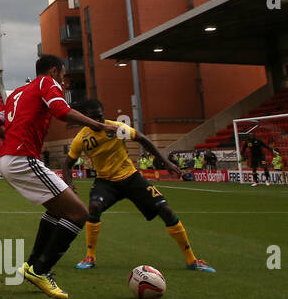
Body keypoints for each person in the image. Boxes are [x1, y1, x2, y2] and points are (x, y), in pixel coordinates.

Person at [0, 55, 118, 299]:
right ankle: (41, 270)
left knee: (58, 211)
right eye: (64, 76)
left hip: (11, 158)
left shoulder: (18, 93)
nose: (64, 83)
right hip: (22, 159)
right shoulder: (47, 83)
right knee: (79, 214)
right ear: (54, 71)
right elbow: (60, 110)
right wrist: (98, 125)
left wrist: (12, 139)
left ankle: (33, 265)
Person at [66, 99, 215, 274]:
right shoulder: (82, 138)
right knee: (94, 207)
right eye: (94, 118)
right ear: (86, 118)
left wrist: (164, 161)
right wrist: (69, 183)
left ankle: (192, 260)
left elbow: (143, 139)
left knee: (165, 210)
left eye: (101, 116)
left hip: (131, 177)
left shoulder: (116, 128)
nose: (99, 121)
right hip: (105, 181)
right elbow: (67, 163)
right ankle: (90, 256)